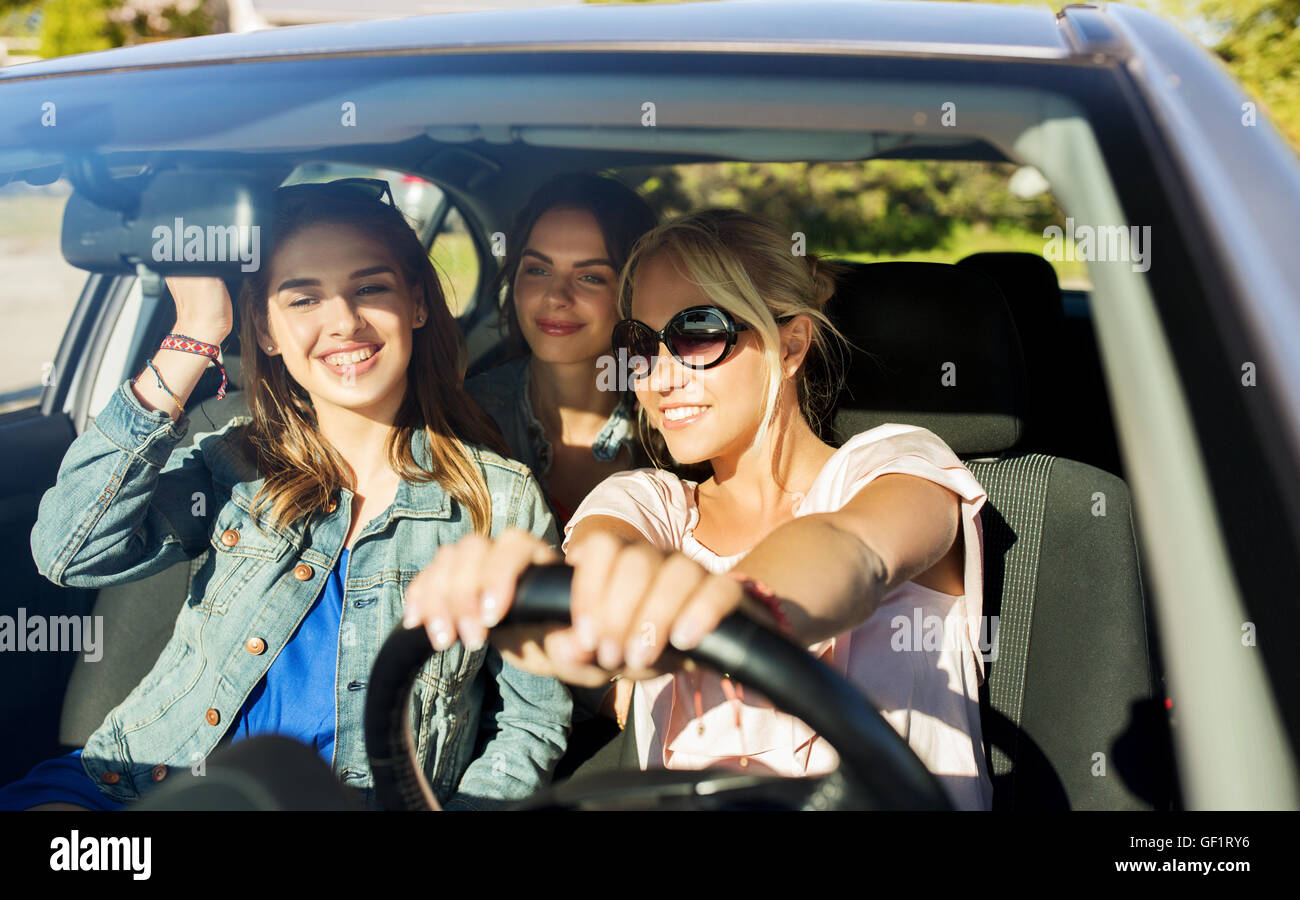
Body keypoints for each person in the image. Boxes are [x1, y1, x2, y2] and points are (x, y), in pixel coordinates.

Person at [6, 179, 570, 811]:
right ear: (266, 333)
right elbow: (67, 550)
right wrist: (197, 330)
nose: (344, 322)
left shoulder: (497, 500)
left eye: (370, 288)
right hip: (132, 790)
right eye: (303, 299)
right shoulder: (236, 462)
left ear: (416, 303)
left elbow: (530, 721)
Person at [402, 208, 995, 809]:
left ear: (790, 346)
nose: (659, 378)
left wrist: (734, 612)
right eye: (641, 345)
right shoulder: (645, 498)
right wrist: (549, 603)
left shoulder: (895, 465)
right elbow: (604, 558)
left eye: (699, 333)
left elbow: (853, 550)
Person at [465, 173, 658, 529]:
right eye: (538, 269)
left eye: (590, 277)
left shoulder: (673, 419)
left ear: (634, 292)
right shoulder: (464, 420)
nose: (556, 296)